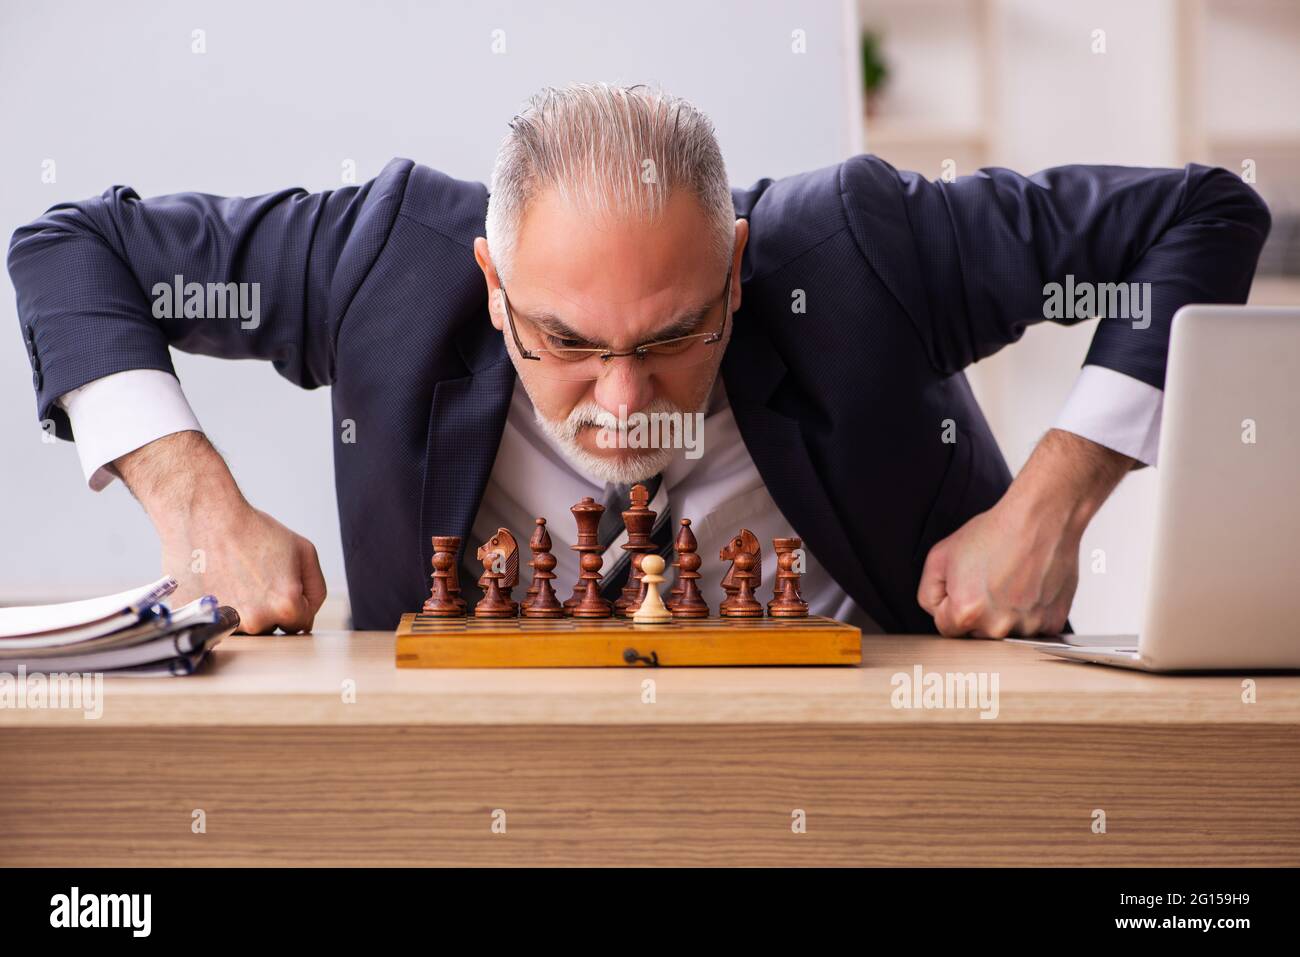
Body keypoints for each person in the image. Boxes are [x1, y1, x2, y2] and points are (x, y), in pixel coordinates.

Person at [8, 83, 1271, 635]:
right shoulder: (384, 262)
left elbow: (1202, 213)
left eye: (674, 338)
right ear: (490, 286)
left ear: (736, 269)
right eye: (566, 342)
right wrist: (194, 504)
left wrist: (1054, 504)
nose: (624, 405)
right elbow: (70, 249)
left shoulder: (864, 247)